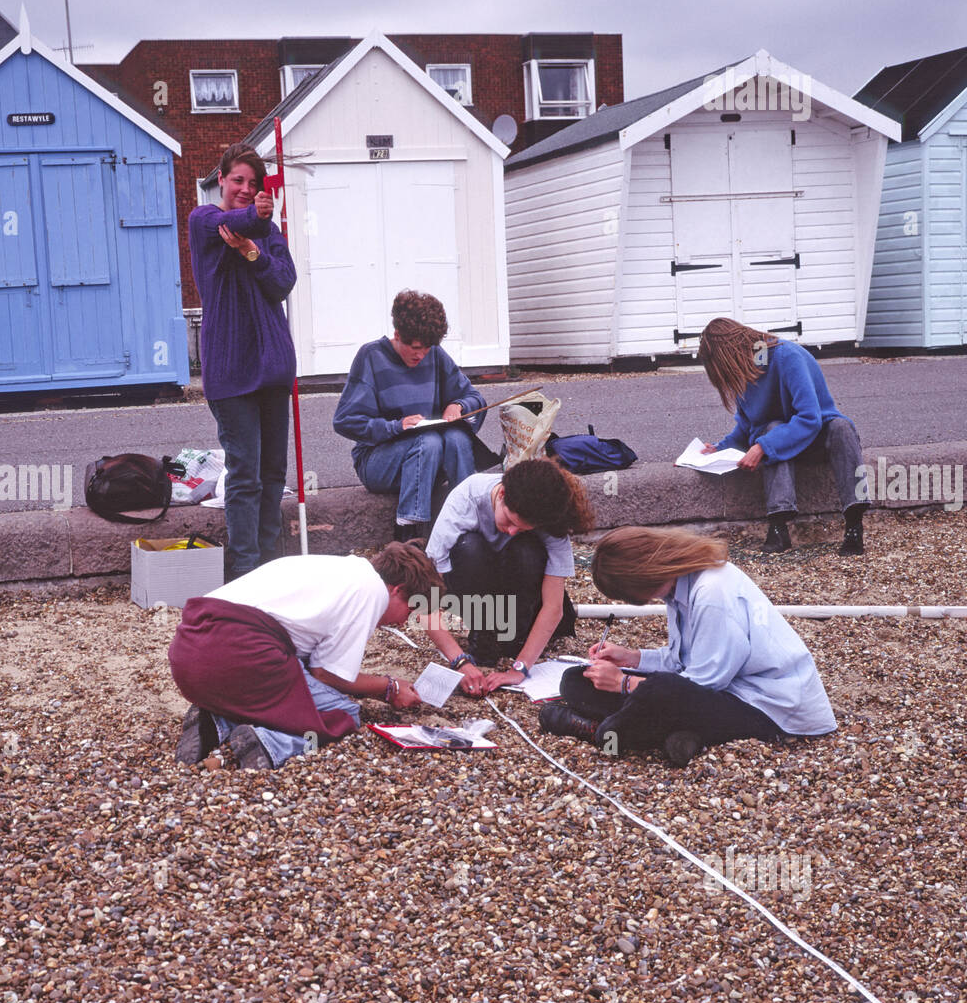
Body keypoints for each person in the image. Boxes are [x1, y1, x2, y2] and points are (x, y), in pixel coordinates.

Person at [538, 526, 836, 767]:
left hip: (769, 707)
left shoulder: (711, 593)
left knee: (657, 694)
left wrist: (624, 683)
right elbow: (682, 661)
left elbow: (703, 682)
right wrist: (632, 658)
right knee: (576, 680)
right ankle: (683, 736)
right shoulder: (678, 585)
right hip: (726, 691)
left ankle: (600, 731)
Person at [168, 543, 439, 771]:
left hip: (189, 652)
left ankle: (215, 723)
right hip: (236, 653)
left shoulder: (338, 569)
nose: (405, 622)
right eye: (411, 609)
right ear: (396, 590)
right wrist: (389, 687)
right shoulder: (372, 591)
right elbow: (327, 675)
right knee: (343, 713)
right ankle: (268, 743)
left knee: (287, 683)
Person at [188, 142, 298, 581]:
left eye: (254, 185)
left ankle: (269, 560)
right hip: (231, 371)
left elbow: (283, 282)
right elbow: (235, 220)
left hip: (273, 368)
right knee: (245, 471)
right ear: (221, 179)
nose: (246, 190)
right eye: (239, 181)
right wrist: (258, 215)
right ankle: (245, 567)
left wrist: (253, 250)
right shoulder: (204, 220)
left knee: (273, 471)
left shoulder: (267, 232)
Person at [421, 458, 595, 695]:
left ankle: (514, 634)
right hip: (471, 581)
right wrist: (459, 661)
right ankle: (483, 634)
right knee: (470, 548)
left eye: (522, 528)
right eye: (511, 521)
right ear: (502, 493)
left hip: (519, 584)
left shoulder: (550, 520)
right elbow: (427, 601)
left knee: (527, 550)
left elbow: (554, 606)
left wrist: (521, 668)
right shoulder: (465, 500)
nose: (511, 531)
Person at [697, 317, 868, 556]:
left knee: (842, 428)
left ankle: (854, 524)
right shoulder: (746, 369)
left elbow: (810, 418)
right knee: (772, 428)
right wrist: (717, 449)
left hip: (818, 438)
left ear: (730, 354)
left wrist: (762, 447)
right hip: (782, 444)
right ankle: (778, 527)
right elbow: (746, 427)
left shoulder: (787, 357)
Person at [334, 290, 496, 542]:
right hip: (378, 462)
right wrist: (396, 427)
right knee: (427, 442)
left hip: (430, 460)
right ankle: (410, 536)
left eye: (428, 348)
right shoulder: (371, 357)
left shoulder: (434, 354)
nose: (421, 355)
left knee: (457, 437)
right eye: (416, 347)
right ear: (397, 335)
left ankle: (468, 524)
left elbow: (475, 398)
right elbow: (345, 421)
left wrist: (459, 406)